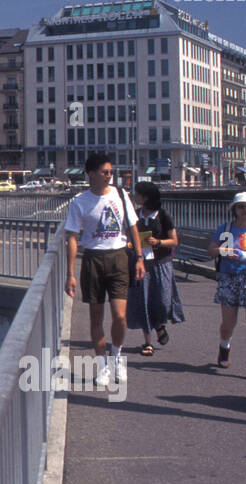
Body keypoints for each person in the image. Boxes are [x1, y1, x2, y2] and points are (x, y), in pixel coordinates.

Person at [64, 152, 145, 386]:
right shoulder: (80, 202)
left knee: (120, 317)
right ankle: (102, 365)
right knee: (96, 317)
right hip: (93, 260)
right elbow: (72, 238)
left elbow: (133, 227)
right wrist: (70, 273)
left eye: (111, 172)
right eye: (105, 172)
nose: (109, 176)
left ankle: (117, 356)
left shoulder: (121, 195)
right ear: (91, 174)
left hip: (118, 257)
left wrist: (139, 257)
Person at [206, 192, 246, 381]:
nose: (245, 210)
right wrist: (223, 250)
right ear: (234, 209)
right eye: (241, 207)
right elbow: (211, 250)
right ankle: (224, 348)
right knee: (229, 323)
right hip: (229, 278)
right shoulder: (226, 229)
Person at [125, 181, 185, 355]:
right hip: (141, 263)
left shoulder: (163, 216)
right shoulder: (135, 216)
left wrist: (158, 242)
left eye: (136, 194)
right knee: (143, 301)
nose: (134, 197)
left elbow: (174, 241)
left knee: (162, 301)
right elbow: (129, 238)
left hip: (161, 263)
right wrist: (130, 245)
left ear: (146, 197)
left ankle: (159, 325)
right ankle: (147, 342)